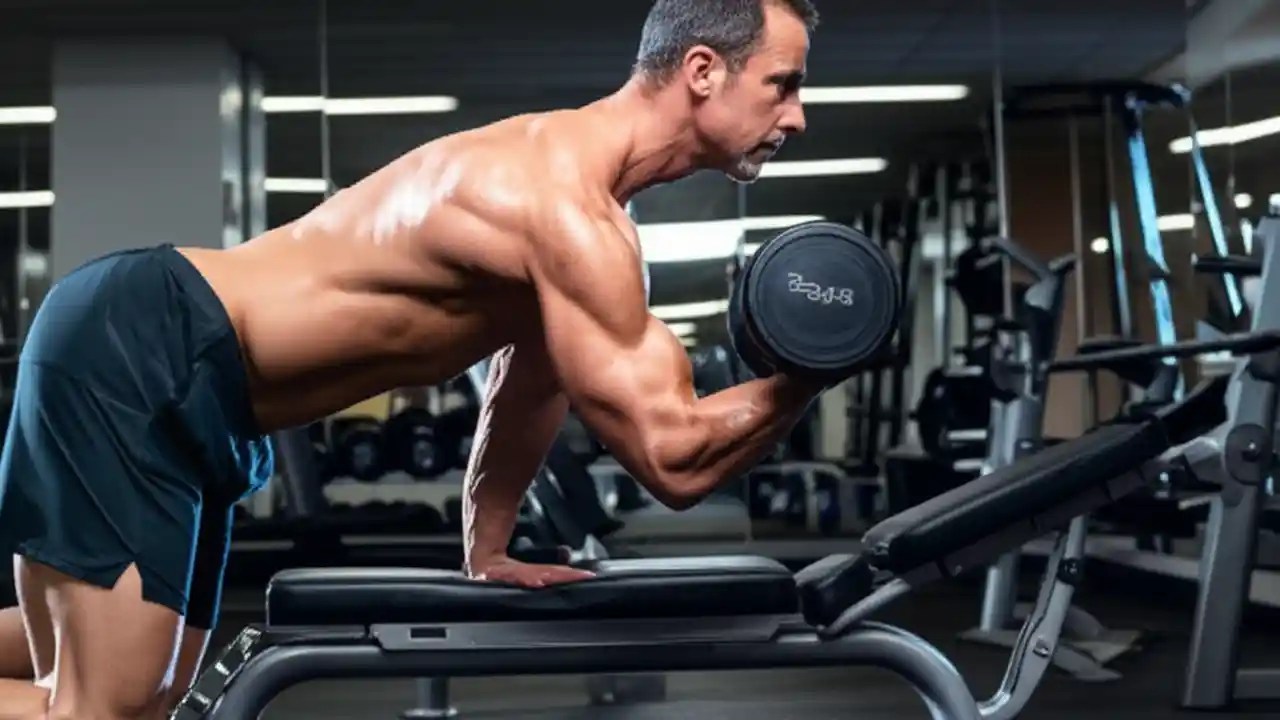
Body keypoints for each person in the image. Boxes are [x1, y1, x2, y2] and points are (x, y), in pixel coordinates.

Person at [0, 0, 821, 717]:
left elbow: (527, 390)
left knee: (150, 695)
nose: (796, 117)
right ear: (703, 70)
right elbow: (672, 459)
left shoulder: (583, 219)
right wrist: (815, 366)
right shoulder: (559, 208)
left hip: (200, 394)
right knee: (103, 711)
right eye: (782, 84)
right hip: (149, 343)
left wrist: (487, 550)